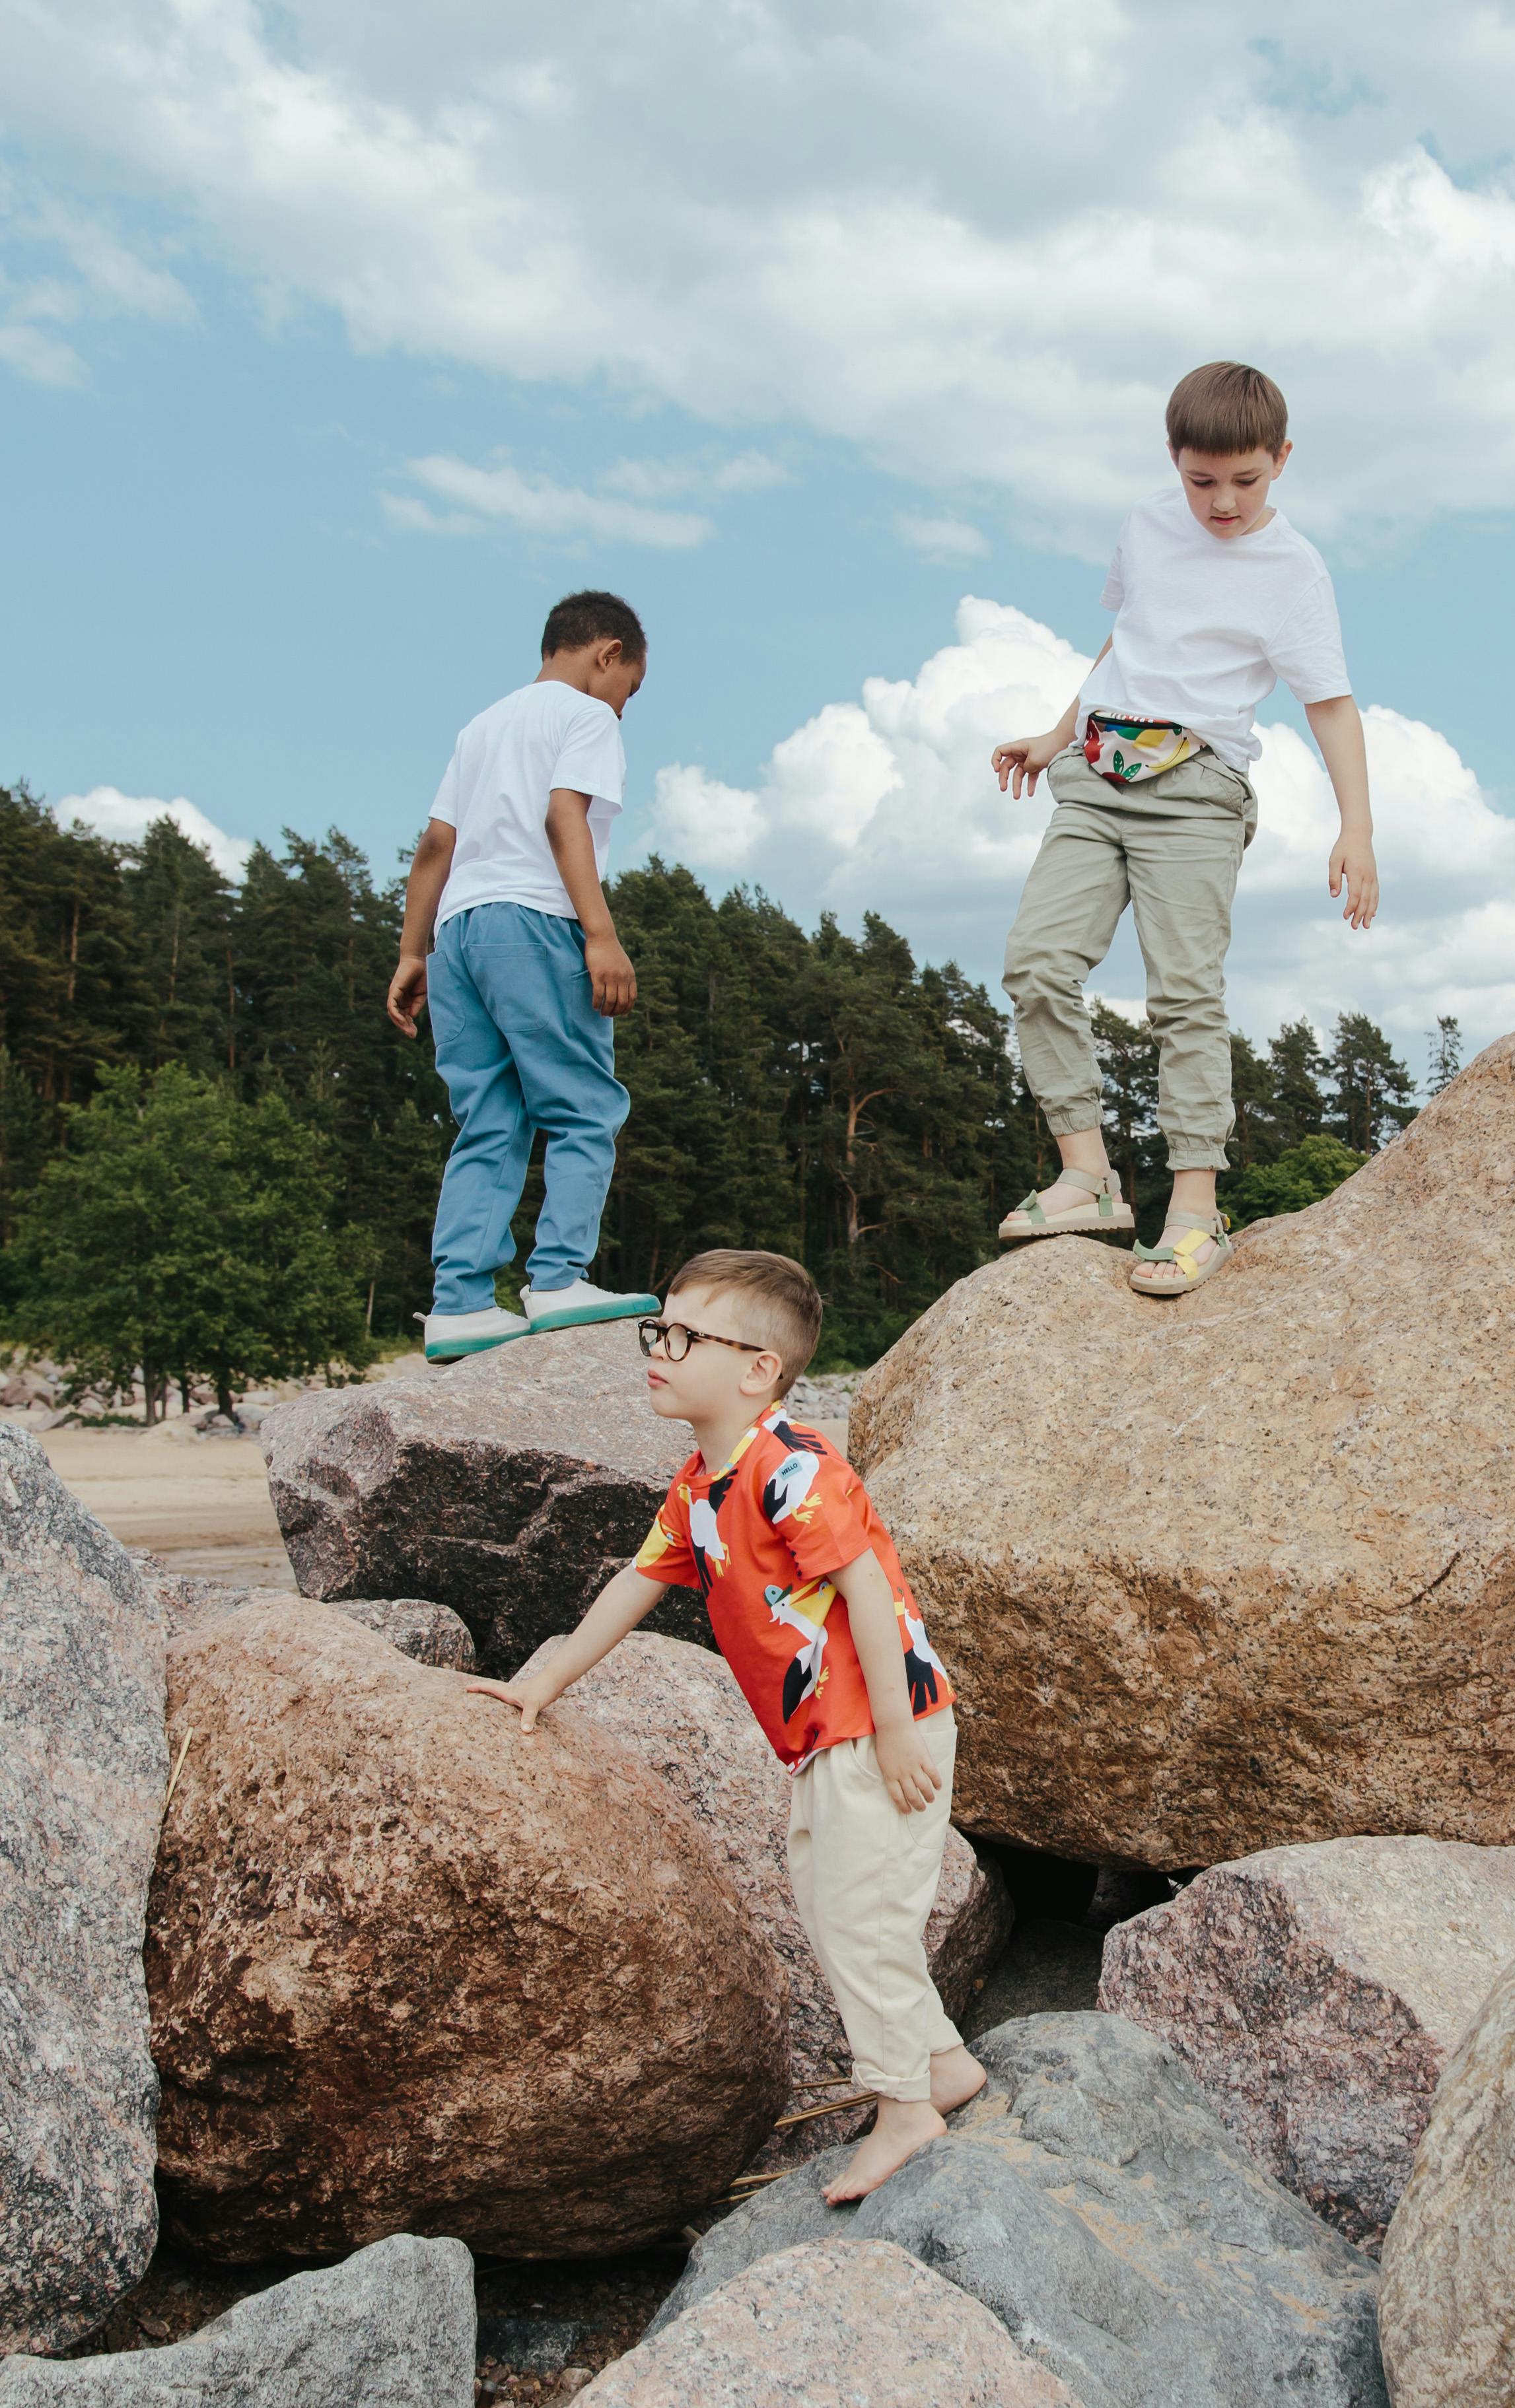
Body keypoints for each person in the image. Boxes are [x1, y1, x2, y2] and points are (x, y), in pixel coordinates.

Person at [468, 1247, 987, 2201]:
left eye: (684, 1335)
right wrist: (543, 1679)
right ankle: (941, 2062)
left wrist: (899, 1732)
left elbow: (867, 1591)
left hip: (874, 1723)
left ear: (758, 1367)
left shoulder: (792, 1468)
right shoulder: (699, 1483)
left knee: (864, 1917)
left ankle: (905, 2106)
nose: (657, 1350)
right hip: (826, 1734)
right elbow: (635, 1584)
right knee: (835, 1910)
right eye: (657, 1330)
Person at [992, 361, 1378, 1295]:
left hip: (1197, 785)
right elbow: (1129, 638)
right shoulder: (1147, 528)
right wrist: (1055, 733)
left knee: (1182, 996)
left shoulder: (1293, 570)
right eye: (1201, 480)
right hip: (1095, 768)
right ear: (1174, 460)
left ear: (1280, 460)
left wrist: (1356, 828)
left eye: (1244, 480)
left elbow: (1329, 703)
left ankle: (1197, 1211)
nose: (1222, 501)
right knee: (1036, 963)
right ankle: (1087, 1175)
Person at [387, 590, 661, 1360]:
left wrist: (412, 953)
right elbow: (563, 813)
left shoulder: (481, 727)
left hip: (458, 932)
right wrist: (601, 935)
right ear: (608, 651)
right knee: (583, 1103)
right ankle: (560, 1277)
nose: (624, 706)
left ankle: (460, 1302)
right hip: (535, 920)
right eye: (630, 687)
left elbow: (434, 846)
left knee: (489, 1116)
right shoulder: (586, 717)